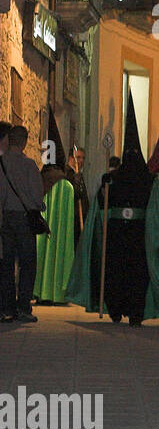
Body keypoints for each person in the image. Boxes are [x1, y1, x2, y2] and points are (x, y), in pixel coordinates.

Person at [66, 100, 159, 325]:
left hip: (131, 236)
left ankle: (130, 312)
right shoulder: (120, 180)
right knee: (121, 274)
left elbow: (151, 211)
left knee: (130, 274)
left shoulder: (141, 181)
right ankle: (122, 312)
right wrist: (104, 189)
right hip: (124, 235)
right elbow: (101, 206)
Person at [0, 125, 46, 323]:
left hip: (5, 218)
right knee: (28, 263)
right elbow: (37, 195)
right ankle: (24, 307)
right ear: (25, 141)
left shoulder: (1, 163)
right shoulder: (29, 165)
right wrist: (40, 206)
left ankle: (7, 308)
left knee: (6, 264)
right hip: (25, 219)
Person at [34, 114, 77, 305]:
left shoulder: (38, 181)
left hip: (42, 233)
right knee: (58, 250)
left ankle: (40, 290)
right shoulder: (66, 186)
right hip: (58, 236)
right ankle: (57, 291)